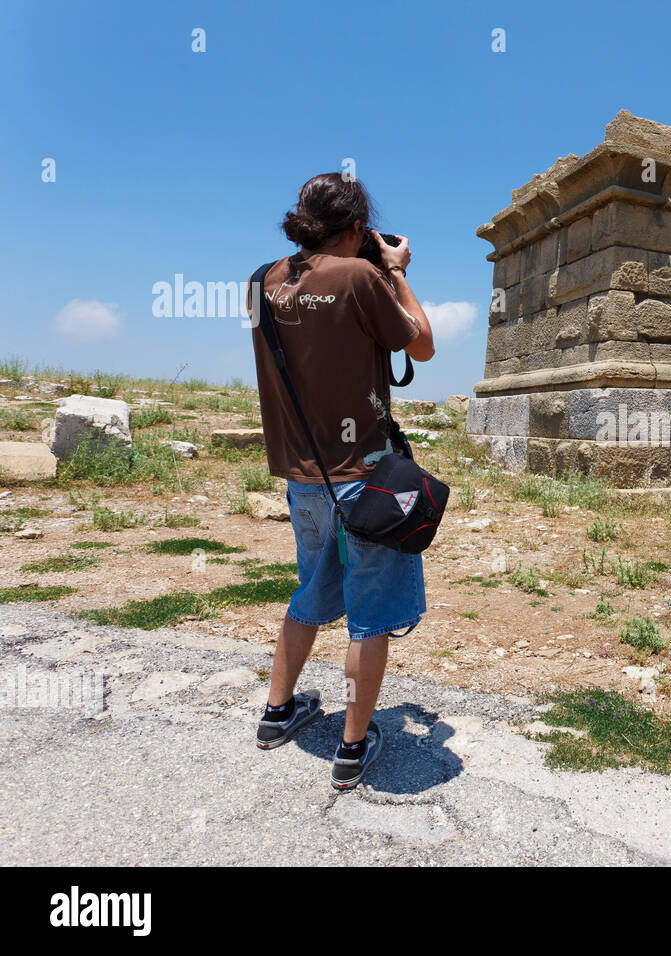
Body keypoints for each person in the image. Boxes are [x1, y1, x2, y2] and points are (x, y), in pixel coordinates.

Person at [247, 173, 434, 790]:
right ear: (356, 226)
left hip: (303, 478)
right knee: (370, 617)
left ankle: (278, 712)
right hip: (364, 476)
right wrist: (397, 271)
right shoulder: (360, 278)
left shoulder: (261, 282)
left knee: (310, 593)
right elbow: (423, 345)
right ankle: (353, 745)